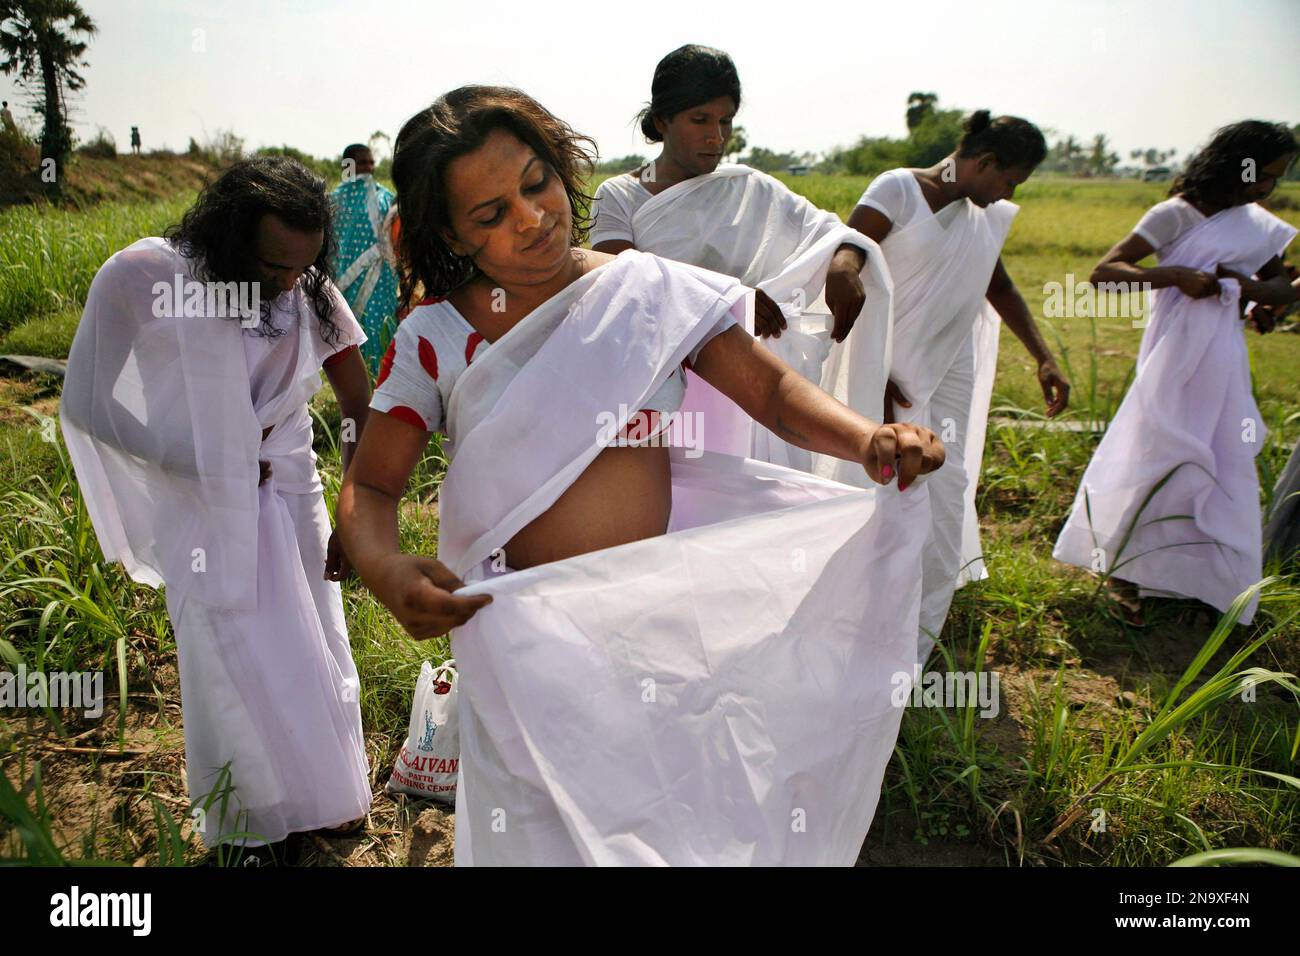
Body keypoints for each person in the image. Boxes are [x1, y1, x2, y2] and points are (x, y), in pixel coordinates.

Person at [338, 86, 946, 865]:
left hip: (653, 626)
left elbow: (772, 391)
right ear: (450, 234)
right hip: (521, 633)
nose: (530, 218)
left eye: (536, 183)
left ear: (562, 170)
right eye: (489, 216)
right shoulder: (437, 336)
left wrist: (869, 438)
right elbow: (374, 484)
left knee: (656, 816)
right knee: (538, 828)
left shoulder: (650, 292)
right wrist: (385, 567)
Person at [60, 156, 374, 859]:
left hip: (292, 492)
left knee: (314, 649)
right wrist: (197, 458)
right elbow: (87, 402)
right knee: (227, 660)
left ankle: (326, 801)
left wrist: (355, 510)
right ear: (229, 238)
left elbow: (358, 403)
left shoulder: (309, 289)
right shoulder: (142, 279)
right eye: (272, 268)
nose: (290, 284)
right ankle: (250, 820)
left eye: (304, 265)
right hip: (199, 507)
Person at [590, 44, 892, 469]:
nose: (716, 136)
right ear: (662, 120)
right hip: (674, 388)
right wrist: (728, 298)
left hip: (764, 387)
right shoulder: (619, 196)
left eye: (725, 121)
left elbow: (832, 232)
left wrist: (844, 264)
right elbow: (624, 280)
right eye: (700, 120)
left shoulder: (754, 188)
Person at [1054, 121, 1299, 625]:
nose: (1268, 187)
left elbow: (1282, 288)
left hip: (1223, 362)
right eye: (1265, 175)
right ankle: (1122, 568)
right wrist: (1174, 277)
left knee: (1221, 459)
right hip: (1170, 357)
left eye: (1276, 179)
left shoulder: (1256, 224)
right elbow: (1107, 273)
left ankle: (1199, 578)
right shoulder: (1176, 215)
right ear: (1238, 164)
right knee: (1159, 451)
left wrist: (1243, 287)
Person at [847, 111, 1069, 662]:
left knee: (948, 485)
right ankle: (861, 623)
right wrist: (872, 376)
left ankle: (916, 638)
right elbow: (848, 262)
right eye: (1008, 180)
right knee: (879, 486)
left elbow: (999, 283)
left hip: (948, 369)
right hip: (883, 377)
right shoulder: (897, 189)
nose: (1007, 193)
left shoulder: (979, 220)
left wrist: (1043, 356)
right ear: (984, 161)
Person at [330, 143, 400, 375]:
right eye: (362, 163)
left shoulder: (384, 197)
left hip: (380, 280)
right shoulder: (333, 201)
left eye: (371, 162)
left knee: (379, 329)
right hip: (342, 283)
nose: (368, 168)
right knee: (348, 336)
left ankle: (379, 384)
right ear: (347, 166)